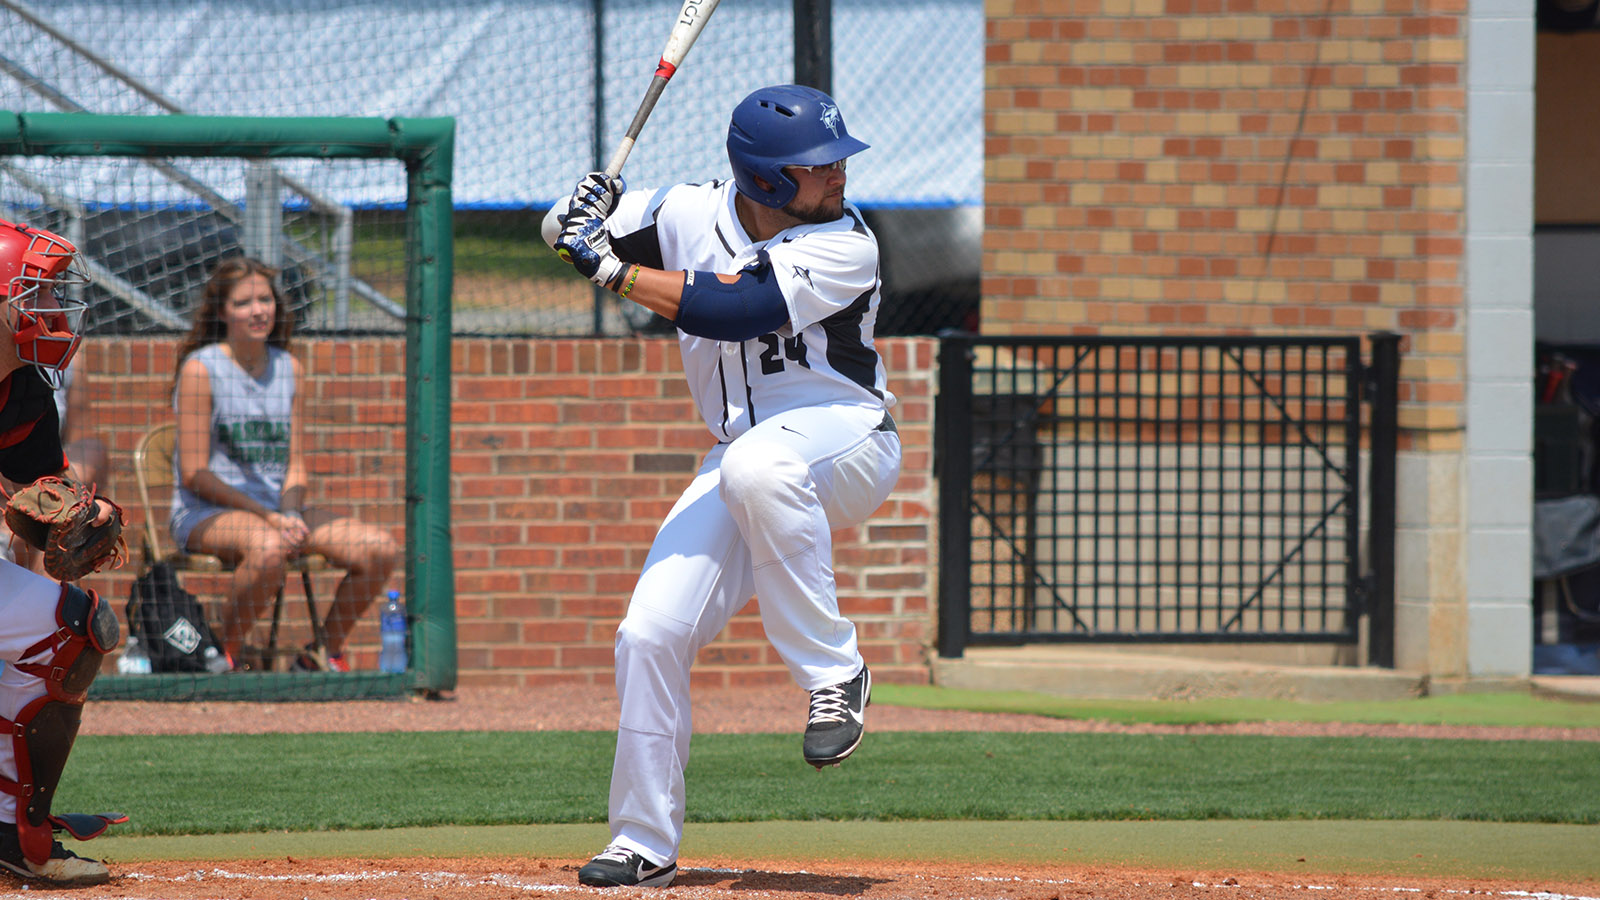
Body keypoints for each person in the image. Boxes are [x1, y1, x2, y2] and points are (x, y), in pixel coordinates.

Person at [544, 84, 902, 888]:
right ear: (767, 178)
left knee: (758, 465)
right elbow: (564, 231)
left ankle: (833, 673)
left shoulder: (846, 242)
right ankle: (643, 841)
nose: (838, 173)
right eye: (817, 165)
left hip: (846, 440)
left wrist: (610, 269)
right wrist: (579, 209)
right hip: (743, 457)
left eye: (836, 160)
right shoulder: (684, 211)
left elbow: (738, 307)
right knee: (650, 633)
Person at [170, 257, 399, 672]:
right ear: (222, 312)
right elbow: (194, 474)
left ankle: (320, 655)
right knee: (269, 547)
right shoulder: (202, 369)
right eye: (244, 303)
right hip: (206, 512)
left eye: (266, 299)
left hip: (277, 513)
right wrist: (270, 518)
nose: (258, 311)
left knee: (378, 548)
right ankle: (223, 657)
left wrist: (289, 513)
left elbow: (295, 463)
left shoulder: (289, 367)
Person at [0, 218, 125, 887]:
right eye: (35, 292)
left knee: (76, 628)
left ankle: (10, 828)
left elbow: (38, 501)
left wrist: (81, 518)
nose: (51, 307)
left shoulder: (22, 387)